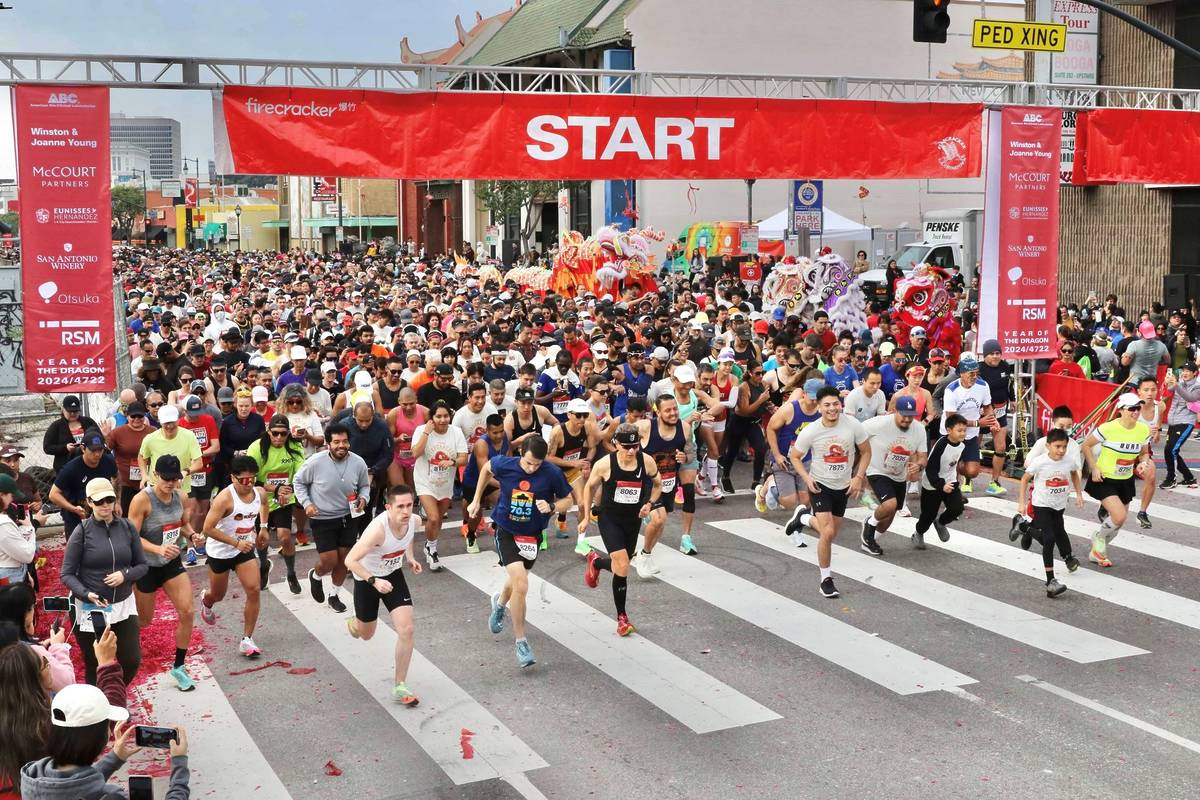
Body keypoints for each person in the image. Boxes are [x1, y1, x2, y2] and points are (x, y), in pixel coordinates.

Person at [468, 436, 576, 669]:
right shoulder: (505, 464)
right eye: (528, 463)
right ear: (520, 454)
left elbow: (568, 499)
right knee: (522, 583)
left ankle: (499, 604)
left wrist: (553, 507)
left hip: (532, 535)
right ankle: (521, 642)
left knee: (517, 582)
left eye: (537, 464)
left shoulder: (551, 472)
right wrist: (476, 500)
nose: (532, 468)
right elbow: (486, 469)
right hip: (506, 530)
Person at [19, 686, 190, 800]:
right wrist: (179, 763)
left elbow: (75, 787)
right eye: (107, 725)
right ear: (96, 738)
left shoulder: (32, 777)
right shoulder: (110, 796)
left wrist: (115, 758)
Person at [783, 387, 870, 598]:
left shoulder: (853, 425)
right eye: (827, 405)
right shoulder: (812, 430)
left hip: (844, 486)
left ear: (841, 404)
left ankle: (803, 518)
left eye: (835, 404)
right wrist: (807, 478)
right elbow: (795, 456)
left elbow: (866, 451)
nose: (832, 409)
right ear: (819, 407)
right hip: (820, 485)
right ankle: (826, 580)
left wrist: (858, 477)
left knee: (830, 533)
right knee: (828, 532)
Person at [59, 478, 146, 685]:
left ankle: (113, 694)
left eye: (109, 499)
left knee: (131, 660)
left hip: (123, 604)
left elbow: (142, 565)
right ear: (89, 502)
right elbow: (67, 574)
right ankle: (98, 702)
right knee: (94, 663)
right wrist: (86, 593)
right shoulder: (82, 531)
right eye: (99, 501)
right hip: (91, 607)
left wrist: (125, 575)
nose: (106, 505)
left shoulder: (127, 527)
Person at [343, 484, 424, 706]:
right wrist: (374, 581)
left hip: (393, 575)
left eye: (409, 505)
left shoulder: (414, 521)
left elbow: (408, 536)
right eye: (400, 507)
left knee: (407, 629)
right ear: (388, 507)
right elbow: (350, 560)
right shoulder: (377, 530)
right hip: (367, 578)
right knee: (366, 634)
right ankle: (356, 622)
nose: (406, 511)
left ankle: (400, 685)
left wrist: (410, 558)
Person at [579, 424, 662, 636]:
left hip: (633, 519)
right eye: (626, 447)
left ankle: (596, 562)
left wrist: (649, 504)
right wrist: (586, 516)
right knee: (623, 564)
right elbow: (589, 487)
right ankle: (622, 618)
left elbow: (658, 484)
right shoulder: (605, 464)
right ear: (616, 444)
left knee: (622, 564)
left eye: (635, 446)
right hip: (610, 518)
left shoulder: (646, 461)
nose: (631, 451)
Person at [126, 454, 198, 692]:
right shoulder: (141, 500)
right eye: (166, 478)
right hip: (146, 566)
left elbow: (182, 524)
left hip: (170, 563)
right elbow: (132, 537)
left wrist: (192, 535)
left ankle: (179, 666)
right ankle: (125, 651)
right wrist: (158, 548)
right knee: (144, 620)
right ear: (155, 475)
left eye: (174, 479)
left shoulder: (181, 496)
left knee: (188, 611)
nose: (170, 483)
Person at [295, 424, 371, 612]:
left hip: (349, 516)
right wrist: (307, 504)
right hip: (322, 518)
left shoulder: (358, 462)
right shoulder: (315, 461)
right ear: (328, 444)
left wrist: (364, 498)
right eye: (336, 442)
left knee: (345, 560)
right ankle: (316, 575)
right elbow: (298, 481)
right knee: (329, 561)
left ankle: (334, 595)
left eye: (345, 441)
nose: (341, 445)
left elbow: (364, 486)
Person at [199, 455, 269, 658]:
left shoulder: (259, 492)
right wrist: (235, 542)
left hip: (243, 550)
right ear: (233, 478)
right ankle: (207, 600)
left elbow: (264, 505)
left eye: (252, 479)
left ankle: (247, 640)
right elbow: (207, 528)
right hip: (220, 552)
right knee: (218, 594)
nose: (249, 484)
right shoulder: (224, 499)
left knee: (254, 589)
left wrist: (263, 528)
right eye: (244, 480)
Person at [1081, 393, 1152, 568]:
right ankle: (1098, 539)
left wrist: (1143, 463)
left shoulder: (1143, 429)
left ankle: (1097, 550)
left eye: (1138, 408)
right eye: (1132, 408)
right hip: (1105, 478)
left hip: (1125, 480)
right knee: (1119, 516)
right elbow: (1086, 445)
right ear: (1121, 410)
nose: (1136, 412)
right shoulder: (1108, 428)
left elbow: (1144, 453)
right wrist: (1094, 467)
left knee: (1118, 523)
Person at [1016, 428, 1083, 598]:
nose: (1061, 450)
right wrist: (1022, 502)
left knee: (1057, 533)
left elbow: (1075, 474)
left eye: (1064, 447)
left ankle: (1024, 527)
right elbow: (1024, 479)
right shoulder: (1040, 462)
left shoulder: (1069, 461)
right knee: (1049, 539)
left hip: (1059, 505)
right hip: (1042, 505)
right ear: (1048, 446)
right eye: (1057, 446)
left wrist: (1079, 494)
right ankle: (1050, 581)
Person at [858, 396, 926, 556]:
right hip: (877, 470)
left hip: (898, 475)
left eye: (910, 416)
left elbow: (923, 456)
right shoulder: (878, 423)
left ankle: (869, 540)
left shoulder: (919, 429)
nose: (907, 419)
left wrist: (919, 465)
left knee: (890, 514)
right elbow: (856, 433)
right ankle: (870, 523)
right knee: (889, 504)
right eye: (903, 415)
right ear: (895, 411)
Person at [246, 415, 306, 594]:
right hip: (260, 496)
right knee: (261, 539)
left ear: (288, 433)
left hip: (283, 498)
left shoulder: (295, 447)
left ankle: (291, 573)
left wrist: (288, 490)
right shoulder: (257, 447)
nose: (279, 437)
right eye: (275, 433)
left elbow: (301, 476)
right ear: (268, 431)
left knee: (284, 537)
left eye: (283, 434)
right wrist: (275, 488)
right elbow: (250, 479)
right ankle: (264, 564)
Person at [411, 402, 468, 572]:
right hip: (424, 481)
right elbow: (415, 453)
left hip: (445, 483)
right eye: (438, 416)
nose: (443, 420)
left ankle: (430, 545)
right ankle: (432, 550)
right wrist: (426, 433)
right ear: (431, 418)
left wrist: (452, 462)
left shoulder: (456, 432)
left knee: (439, 519)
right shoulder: (421, 430)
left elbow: (464, 458)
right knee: (434, 518)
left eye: (445, 416)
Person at [912, 414, 969, 550]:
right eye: (959, 430)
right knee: (928, 516)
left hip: (950, 481)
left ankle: (941, 523)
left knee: (957, 508)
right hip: (932, 484)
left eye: (964, 430)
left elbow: (954, 463)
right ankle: (918, 533)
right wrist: (941, 485)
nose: (963, 433)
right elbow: (931, 469)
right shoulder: (941, 445)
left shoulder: (962, 445)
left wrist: (956, 479)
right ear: (949, 430)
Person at [940, 356, 996, 494]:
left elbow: (987, 406)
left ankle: (958, 466)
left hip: (970, 434)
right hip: (952, 432)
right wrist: (977, 423)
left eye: (977, 373)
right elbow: (952, 418)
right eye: (971, 374)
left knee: (973, 471)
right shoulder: (951, 390)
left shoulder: (983, 385)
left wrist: (993, 421)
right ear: (961, 373)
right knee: (950, 472)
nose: (974, 377)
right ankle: (953, 494)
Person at [46, 432, 117, 539]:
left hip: (101, 509)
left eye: (100, 450)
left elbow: (117, 478)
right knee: (76, 543)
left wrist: (117, 501)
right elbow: (53, 494)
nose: (97, 454)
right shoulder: (71, 469)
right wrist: (73, 509)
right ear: (83, 448)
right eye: (93, 450)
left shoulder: (108, 461)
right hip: (76, 512)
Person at [461, 414, 508, 554]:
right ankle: (471, 535)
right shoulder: (481, 444)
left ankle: (495, 523)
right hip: (475, 481)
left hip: (494, 478)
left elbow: (509, 458)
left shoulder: (505, 437)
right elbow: (485, 474)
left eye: (501, 431)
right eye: (495, 432)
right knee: (475, 514)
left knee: (507, 501)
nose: (499, 435)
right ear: (487, 431)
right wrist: (504, 484)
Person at [137, 405, 203, 491]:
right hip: (156, 487)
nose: (170, 426)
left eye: (172, 422)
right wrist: (144, 475)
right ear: (160, 422)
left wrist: (185, 472)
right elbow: (142, 457)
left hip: (180, 487)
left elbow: (199, 463)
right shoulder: (150, 438)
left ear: (178, 420)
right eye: (166, 423)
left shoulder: (189, 436)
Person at [976, 340, 1013, 496]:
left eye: (998, 353)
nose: (996, 356)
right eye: (992, 354)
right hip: (982, 412)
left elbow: (1008, 385)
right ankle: (967, 479)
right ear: (985, 355)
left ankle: (994, 482)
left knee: (1001, 448)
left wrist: (1013, 399)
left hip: (1000, 411)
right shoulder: (978, 369)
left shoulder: (1005, 366)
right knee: (974, 446)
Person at [104, 402, 154, 514]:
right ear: (127, 416)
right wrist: (105, 437)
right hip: (124, 483)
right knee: (125, 515)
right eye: (133, 416)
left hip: (147, 481)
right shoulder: (117, 432)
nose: (137, 419)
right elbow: (105, 452)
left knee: (147, 515)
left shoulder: (152, 432)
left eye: (140, 416)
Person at [1162, 363, 1199, 488]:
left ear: (1195, 373)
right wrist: (1168, 382)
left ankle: (1171, 478)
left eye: (1188, 371)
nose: (1185, 373)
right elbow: (1169, 391)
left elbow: (1191, 398)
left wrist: (1176, 385)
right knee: (1172, 450)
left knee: (1170, 450)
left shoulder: (1197, 386)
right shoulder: (1180, 382)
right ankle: (1189, 477)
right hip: (1173, 421)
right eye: (1183, 371)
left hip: (1186, 422)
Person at [42, 395, 100, 473]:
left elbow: (99, 438)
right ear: (63, 410)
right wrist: (65, 448)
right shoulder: (56, 426)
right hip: (66, 467)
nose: (72, 413)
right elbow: (47, 447)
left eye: (75, 411)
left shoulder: (88, 422)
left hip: (89, 465)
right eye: (69, 411)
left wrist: (104, 435)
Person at [386, 388, 427, 496]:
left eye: (411, 403)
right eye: (405, 404)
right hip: (397, 455)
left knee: (411, 491)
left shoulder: (425, 412)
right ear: (399, 401)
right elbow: (387, 441)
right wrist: (398, 439)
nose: (408, 407)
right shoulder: (393, 414)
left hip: (416, 455)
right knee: (400, 491)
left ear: (416, 400)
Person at [0, 474, 34, 586]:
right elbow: (27, 555)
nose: (12, 499)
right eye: (11, 495)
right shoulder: (3, 523)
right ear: (1, 495)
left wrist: (25, 573)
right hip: (8, 575)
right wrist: (29, 527)